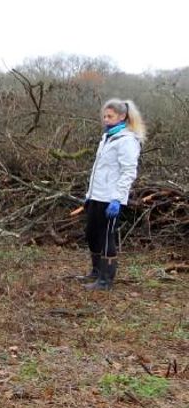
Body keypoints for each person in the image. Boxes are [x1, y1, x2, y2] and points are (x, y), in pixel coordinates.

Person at [81, 98, 145, 291]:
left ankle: (105, 280)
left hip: (111, 198)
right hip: (97, 196)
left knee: (107, 236)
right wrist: (89, 194)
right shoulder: (106, 138)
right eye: (104, 116)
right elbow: (98, 170)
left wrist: (118, 198)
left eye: (110, 116)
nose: (106, 119)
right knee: (92, 234)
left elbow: (128, 171)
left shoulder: (127, 141)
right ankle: (96, 270)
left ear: (122, 116)